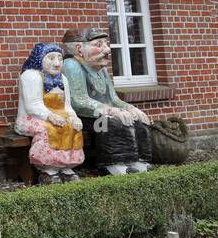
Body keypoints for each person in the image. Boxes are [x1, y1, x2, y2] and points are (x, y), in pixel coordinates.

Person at [60, 26, 153, 174]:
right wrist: (109, 110)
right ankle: (112, 163)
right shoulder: (72, 65)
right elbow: (78, 101)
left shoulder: (100, 68)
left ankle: (137, 160)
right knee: (111, 123)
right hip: (82, 119)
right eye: (99, 45)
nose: (107, 50)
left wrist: (130, 108)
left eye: (106, 44)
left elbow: (113, 98)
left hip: (101, 113)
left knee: (138, 119)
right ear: (79, 49)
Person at [15, 42, 85, 183]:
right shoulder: (30, 76)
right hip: (31, 117)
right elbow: (32, 105)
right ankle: (47, 168)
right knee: (48, 128)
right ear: (40, 58)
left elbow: (67, 106)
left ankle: (66, 166)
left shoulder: (62, 79)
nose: (57, 63)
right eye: (51, 58)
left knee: (73, 126)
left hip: (59, 114)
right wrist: (49, 116)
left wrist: (73, 116)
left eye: (60, 58)